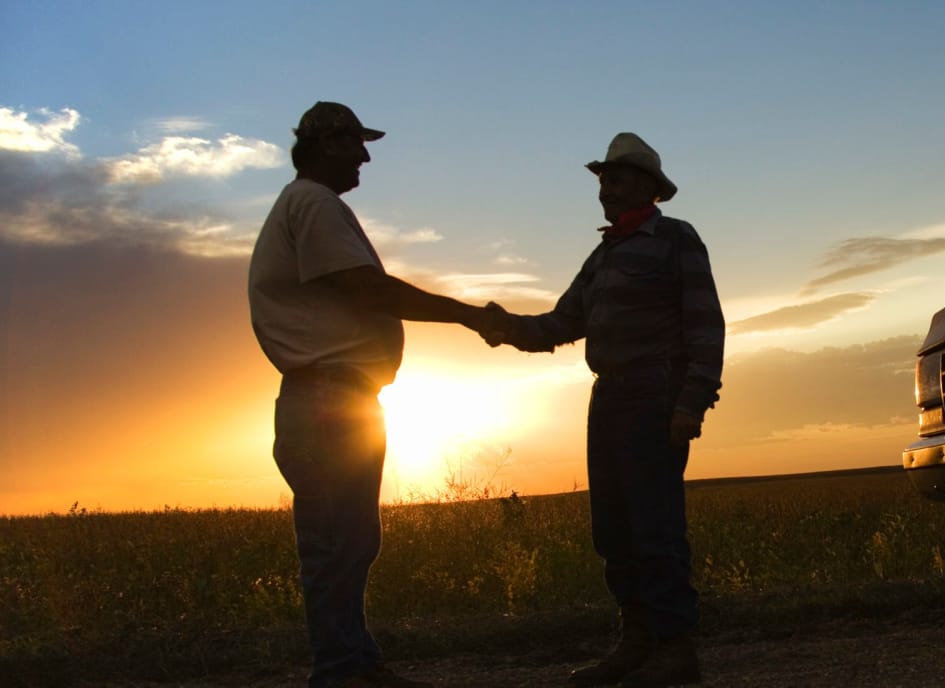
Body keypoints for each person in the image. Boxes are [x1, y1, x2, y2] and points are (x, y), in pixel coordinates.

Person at [247, 101, 511, 688]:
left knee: (349, 539)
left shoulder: (308, 205)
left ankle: (354, 663)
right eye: (355, 143)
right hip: (328, 400)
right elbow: (368, 290)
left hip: (335, 398)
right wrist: (471, 316)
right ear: (324, 145)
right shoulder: (315, 203)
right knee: (337, 539)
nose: (366, 156)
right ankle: (342, 671)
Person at [485, 132, 724, 687]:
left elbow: (706, 326)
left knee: (654, 524)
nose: (604, 190)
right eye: (601, 181)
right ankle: (637, 642)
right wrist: (505, 328)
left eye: (613, 179)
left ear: (646, 186)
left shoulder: (676, 239)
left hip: (654, 395)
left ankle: (674, 649)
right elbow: (562, 323)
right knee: (613, 529)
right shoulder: (604, 255)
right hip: (610, 397)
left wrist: (692, 401)